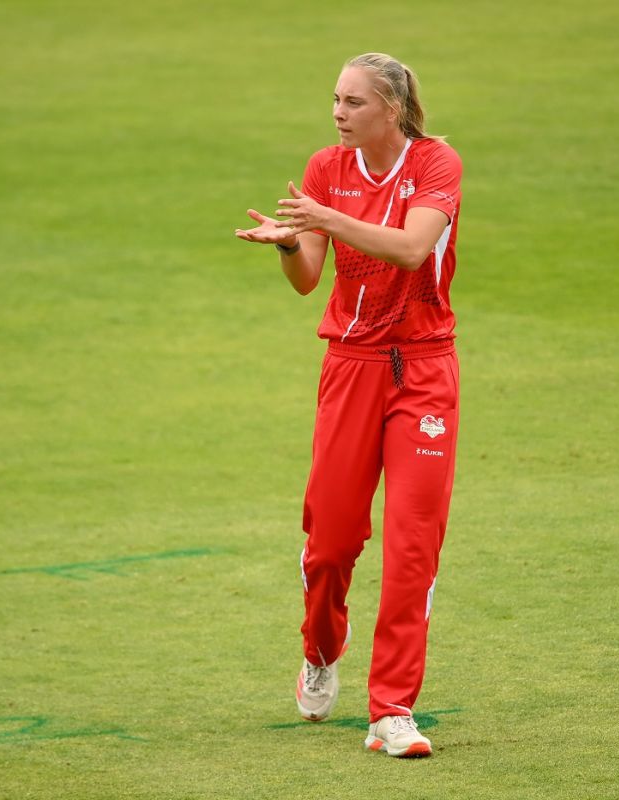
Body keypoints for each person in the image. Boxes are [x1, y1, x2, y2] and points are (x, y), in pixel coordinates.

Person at [235, 53, 463, 758]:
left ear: (392, 108)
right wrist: (286, 246)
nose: (338, 113)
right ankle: (321, 647)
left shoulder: (435, 164)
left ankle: (392, 711)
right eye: (335, 99)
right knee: (331, 543)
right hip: (352, 368)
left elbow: (410, 248)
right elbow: (309, 277)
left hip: (424, 371)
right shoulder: (324, 168)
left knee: (411, 548)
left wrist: (326, 218)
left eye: (354, 102)